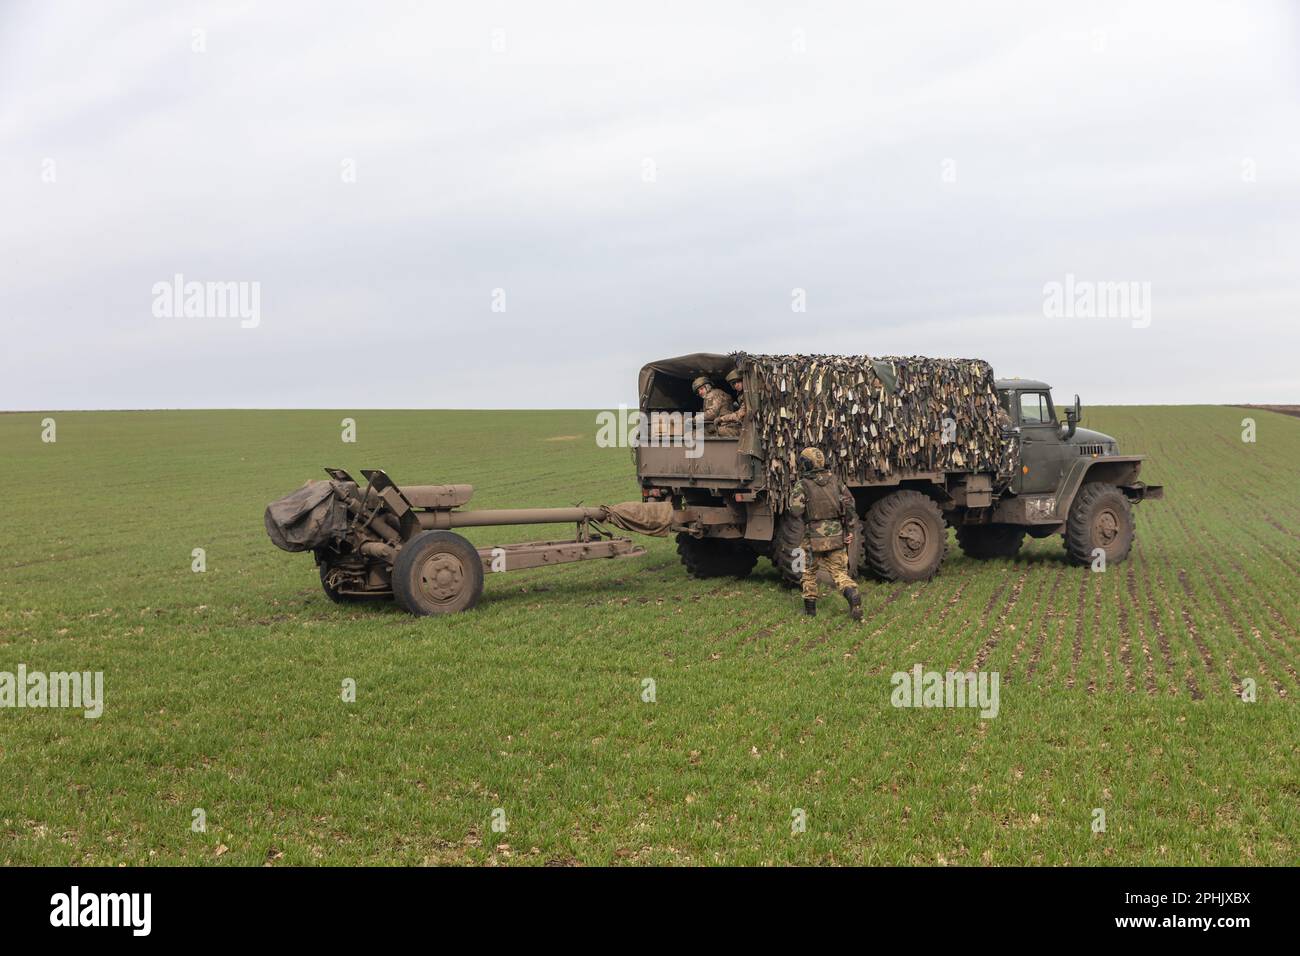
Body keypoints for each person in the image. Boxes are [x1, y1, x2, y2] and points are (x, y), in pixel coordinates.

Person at [786, 447, 862, 621]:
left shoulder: (803, 484)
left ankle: (810, 612)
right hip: (836, 536)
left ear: (805, 464)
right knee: (839, 573)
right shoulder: (836, 481)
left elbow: (796, 511)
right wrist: (849, 530)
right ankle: (852, 595)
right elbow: (850, 505)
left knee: (808, 572)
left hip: (812, 537)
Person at [714, 369, 746, 437]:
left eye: (738, 382)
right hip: (745, 425)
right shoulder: (741, 395)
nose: (736, 385)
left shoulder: (747, 395)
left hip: (748, 429)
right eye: (733, 384)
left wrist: (722, 418)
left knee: (722, 430)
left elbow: (740, 414)